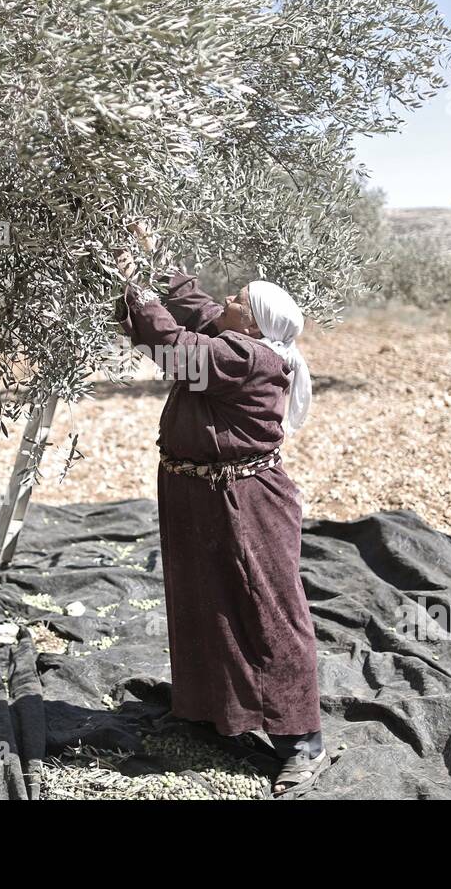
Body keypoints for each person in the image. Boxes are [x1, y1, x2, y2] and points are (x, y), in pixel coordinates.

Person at [112, 222, 329, 797]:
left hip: (246, 500)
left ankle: (301, 742)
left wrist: (135, 286)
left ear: (254, 323)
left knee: (266, 611)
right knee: (201, 600)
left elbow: (176, 350)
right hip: (197, 490)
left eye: (239, 299)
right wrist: (151, 254)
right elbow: (194, 304)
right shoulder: (237, 336)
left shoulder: (249, 358)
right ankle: (209, 711)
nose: (226, 301)